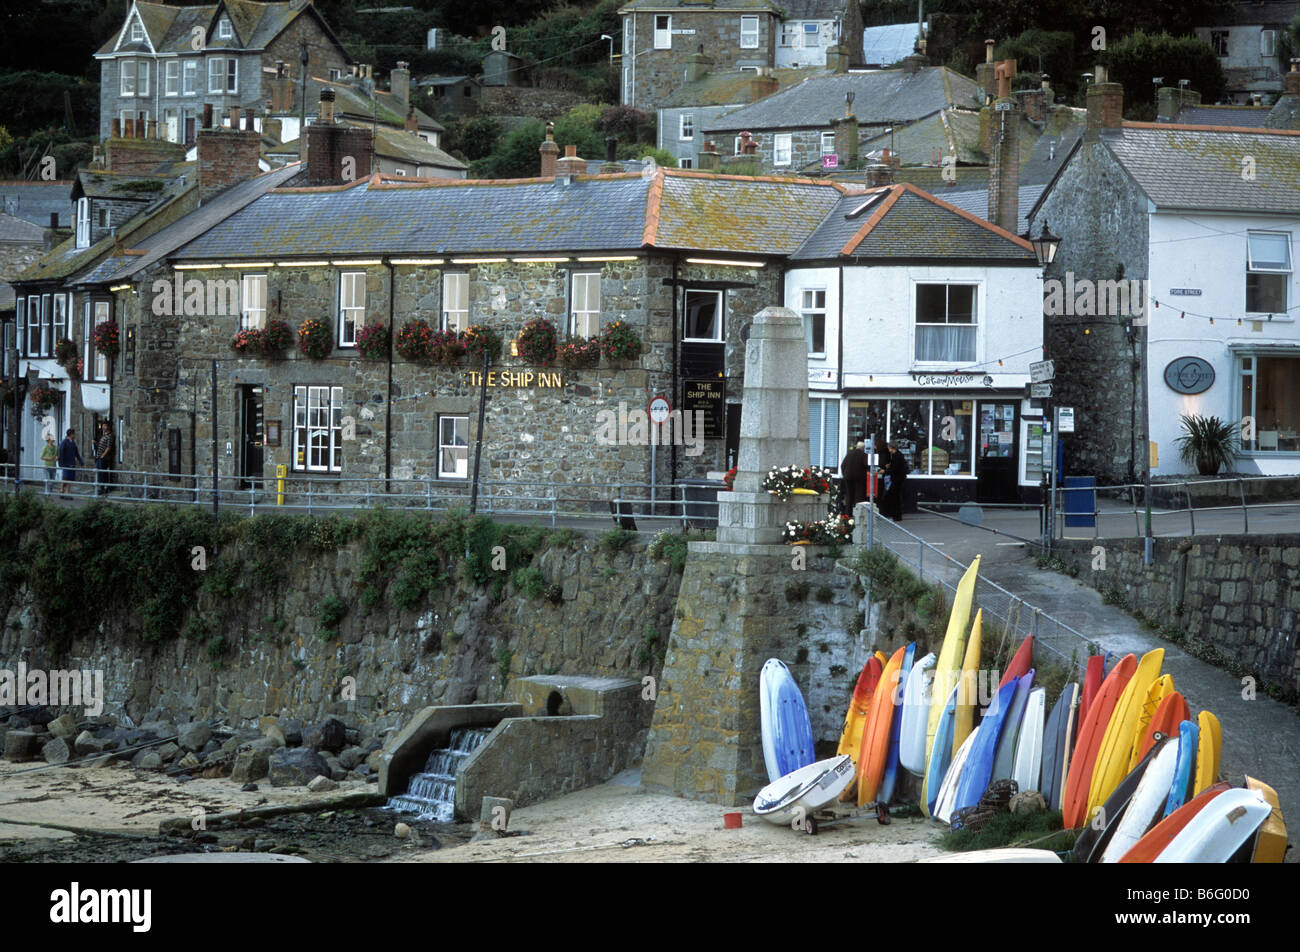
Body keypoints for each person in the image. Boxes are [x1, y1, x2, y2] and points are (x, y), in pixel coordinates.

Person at [838, 440, 868, 516]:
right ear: (863, 448)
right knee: (859, 496)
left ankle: (848, 514)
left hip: (848, 477)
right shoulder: (864, 455)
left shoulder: (849, 453)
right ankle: (858, 514)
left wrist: (845, 474)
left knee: (849, 496)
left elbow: (842, 465)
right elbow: (867, 466)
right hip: (859, 478)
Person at [58, 428, 82, 497]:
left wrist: (80, 461)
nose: (75, 435)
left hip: (72, 463)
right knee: (65, 477)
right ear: (71, 434)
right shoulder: (64, 442)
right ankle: (62, 489)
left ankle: (67, 492)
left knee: (70, 478)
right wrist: (61, 463)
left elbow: (76, 453)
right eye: (74, 434)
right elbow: (61, 452)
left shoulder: (73, 443)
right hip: (65, 463)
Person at [94, 422, 114, 495]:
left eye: (104, 426)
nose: (103, 427)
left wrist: (103, 456)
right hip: (99, 456)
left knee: (102, 473)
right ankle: (100, 487)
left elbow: (109, 447)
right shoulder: (103, 435)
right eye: (102, 426)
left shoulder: (110, 436)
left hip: (103, 458)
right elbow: (101, 445)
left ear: (108, 427)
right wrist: (96, 443)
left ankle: (104, 488)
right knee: (99, 472)